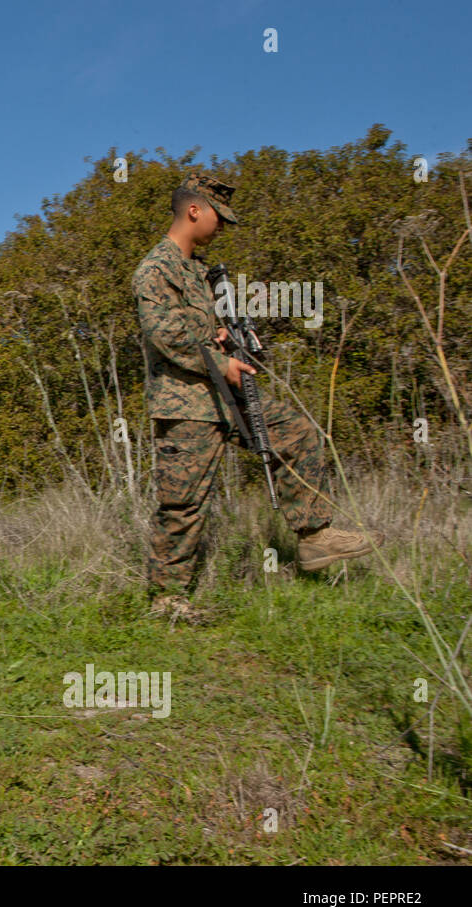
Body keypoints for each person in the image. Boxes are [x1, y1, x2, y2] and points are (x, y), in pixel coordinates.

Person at [132, 173, 375, 624]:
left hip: (228, 397)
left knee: (299, 434)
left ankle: (314, 536)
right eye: (218, 217)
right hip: (186, 404)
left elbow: (199, 329)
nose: (221, 227)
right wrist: (220, 362)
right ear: (194, 210)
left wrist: (226, 339)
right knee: (183, 503)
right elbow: (164, 334)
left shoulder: (199, 271)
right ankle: (167, 601)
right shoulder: (155, 269)